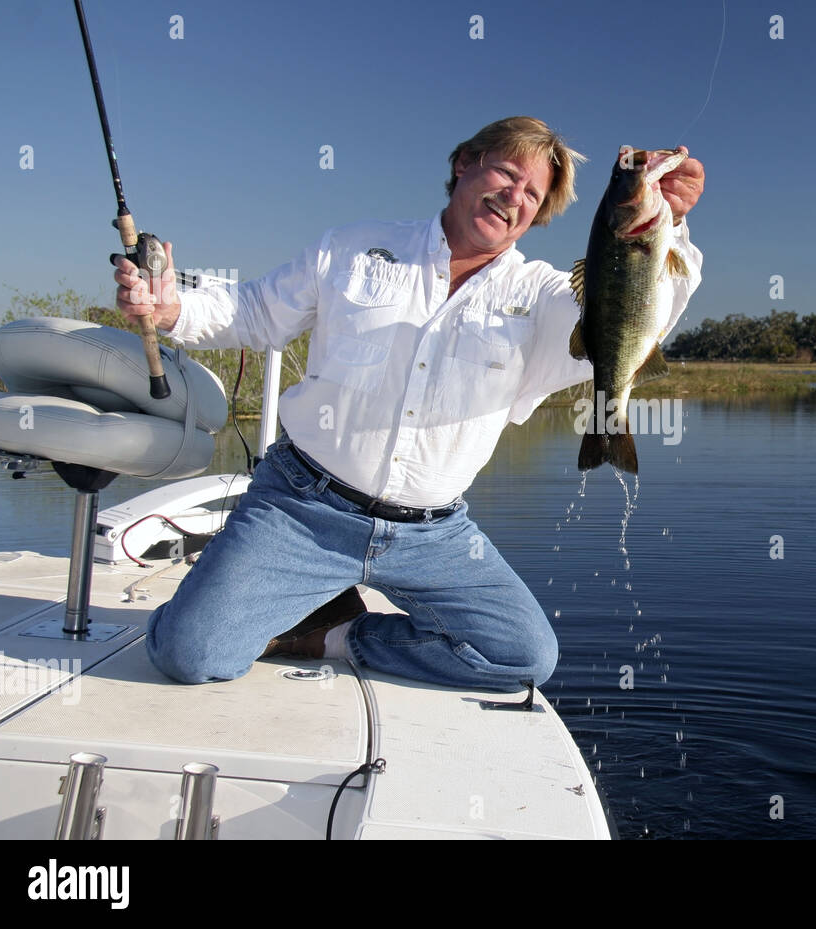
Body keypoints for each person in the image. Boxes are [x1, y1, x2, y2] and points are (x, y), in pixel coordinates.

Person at [111, 116, 705, 691]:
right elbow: (255, 312)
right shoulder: (354, 247)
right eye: (503, 173)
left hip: (434, 534)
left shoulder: (544, 295)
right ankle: (245, 593)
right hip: (302, 506)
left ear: (541, 213)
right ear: (464, 164)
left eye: (532, 193)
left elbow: (633, 319)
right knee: (188, 655)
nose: (512, 197)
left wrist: (670, 224)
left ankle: (333, 634)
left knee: (523, 657)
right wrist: (170, 309)